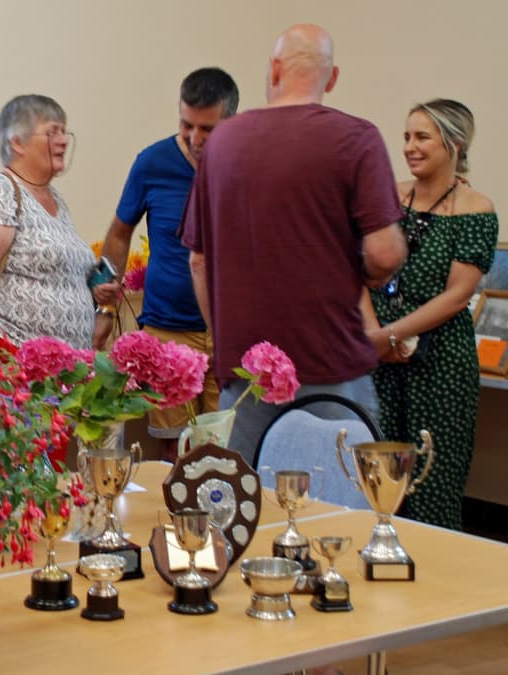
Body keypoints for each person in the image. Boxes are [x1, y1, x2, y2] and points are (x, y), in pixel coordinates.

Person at [179, 24, 407, 465]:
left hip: (245, 369)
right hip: (331, 360)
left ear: (275, 69)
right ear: (333, 77)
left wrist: (227, 344)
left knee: (235, 501)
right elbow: (384, 253)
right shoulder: (356, 139)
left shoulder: (222, 142)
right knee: (340, 501)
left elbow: (198, 261)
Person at [362, 100, 498, 530]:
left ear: (453, 144)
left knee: (431, 481)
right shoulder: (388, 197)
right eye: (406, 137)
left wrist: (390, 335)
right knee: (375, 477)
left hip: (439, 364)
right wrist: (373, 335)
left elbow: (458, 295)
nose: (409, 147)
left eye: (422, 137)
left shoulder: (476, 209)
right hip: (379, 359)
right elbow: (356, 271)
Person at [94, 68, 239, 461]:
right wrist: (104, 305)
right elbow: (120, 232)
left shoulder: (247, 164)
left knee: (227, 452)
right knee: (173, 449)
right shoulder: (153, 163)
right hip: (168, 330)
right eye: (186, 125)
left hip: (231, 333)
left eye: (207, 129)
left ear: (232, 121)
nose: (194, 139)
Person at [0, 94, 95, 350]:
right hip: (17, 376)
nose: (63, 141)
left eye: (64, 131)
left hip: (62, 377)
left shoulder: (56, 200)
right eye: (52, 132)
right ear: (17, 142)